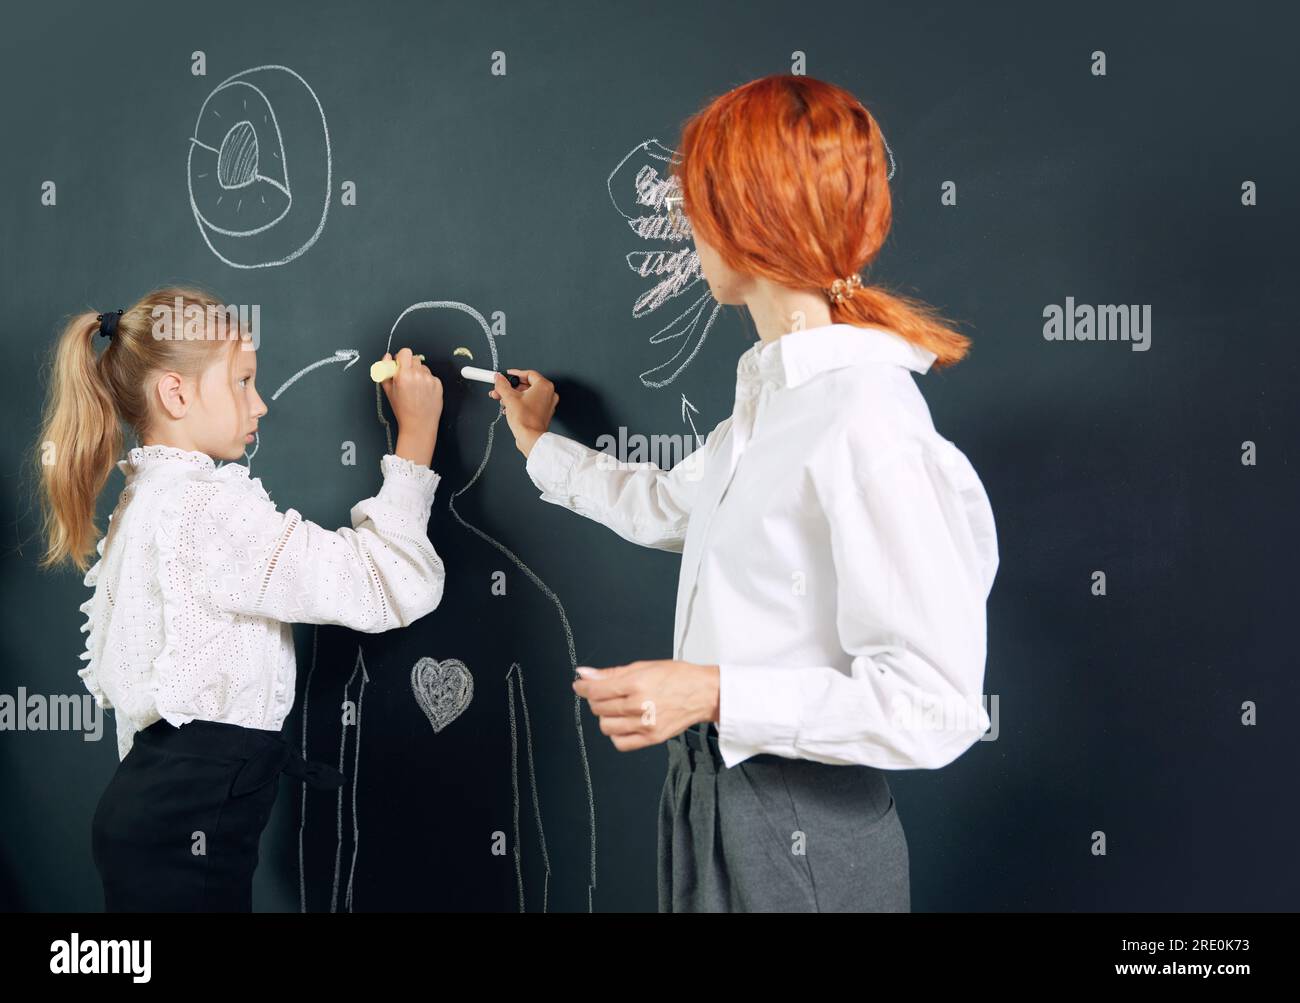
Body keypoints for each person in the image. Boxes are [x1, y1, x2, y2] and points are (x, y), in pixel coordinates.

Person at [488, 75, 1000, 912]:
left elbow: (936, 704)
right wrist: (541, 443)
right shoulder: (774, 404)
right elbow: (667, 504)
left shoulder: (865, 417)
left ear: (749, 220)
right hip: (709, 800)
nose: (690, 224)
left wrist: (716, 690)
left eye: (702, 201)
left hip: (801, 825)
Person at [34, 286, 447, 911]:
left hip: (155, 819)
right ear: (175, 394)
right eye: (242, 381)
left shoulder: (146, 499)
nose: (259, 403)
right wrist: (417, 437)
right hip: (182, 831)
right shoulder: (205, 509)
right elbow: (383, 581)